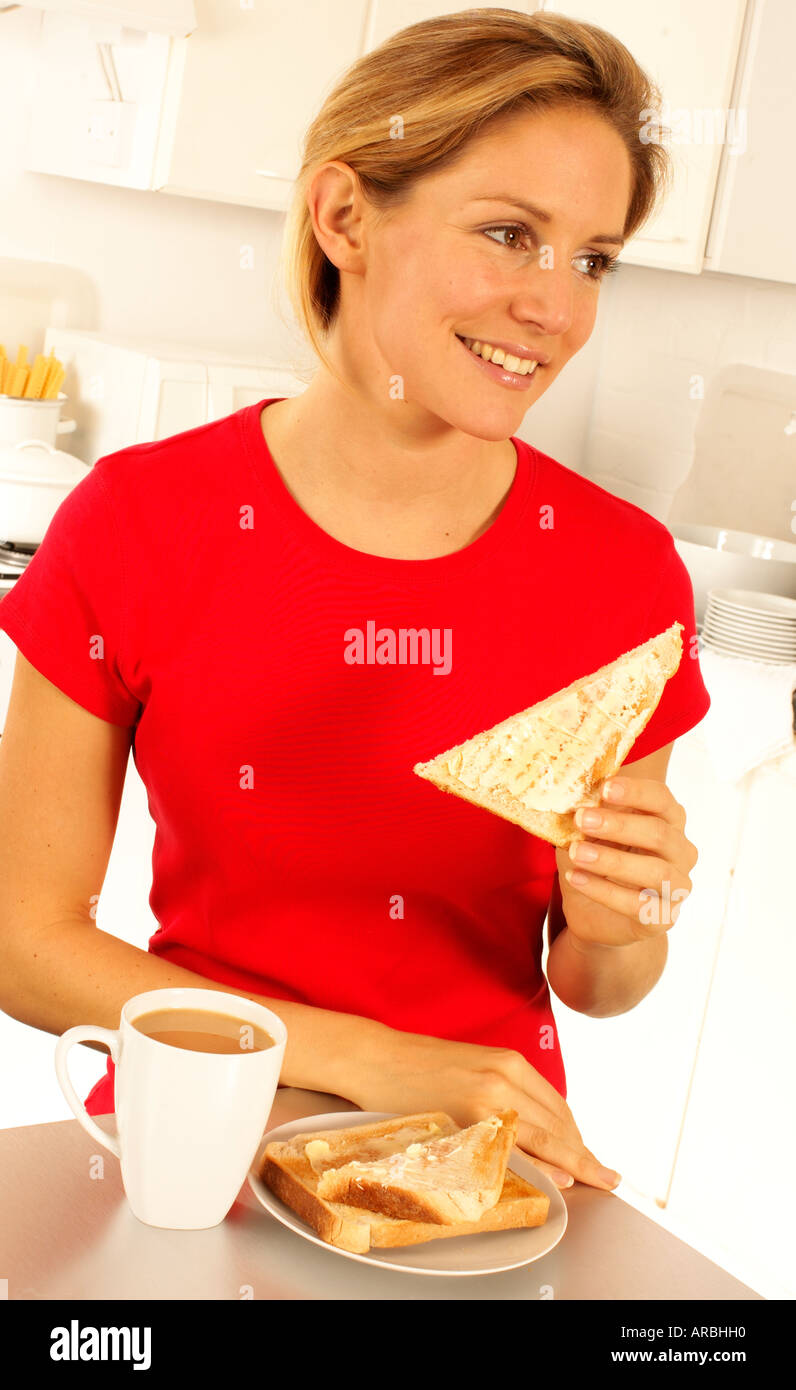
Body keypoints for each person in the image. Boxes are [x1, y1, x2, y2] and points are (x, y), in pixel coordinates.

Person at [0, 9, 709, 1193]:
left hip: (479, 1175)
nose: (557, 307)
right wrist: (375, 1059)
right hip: (197, 1137)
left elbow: (600, 986)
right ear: (343, 218)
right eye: (508, 235)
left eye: (591, 258)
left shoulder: (619, 571)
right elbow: (25, 943)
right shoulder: (138, 523)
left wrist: (622, 917)